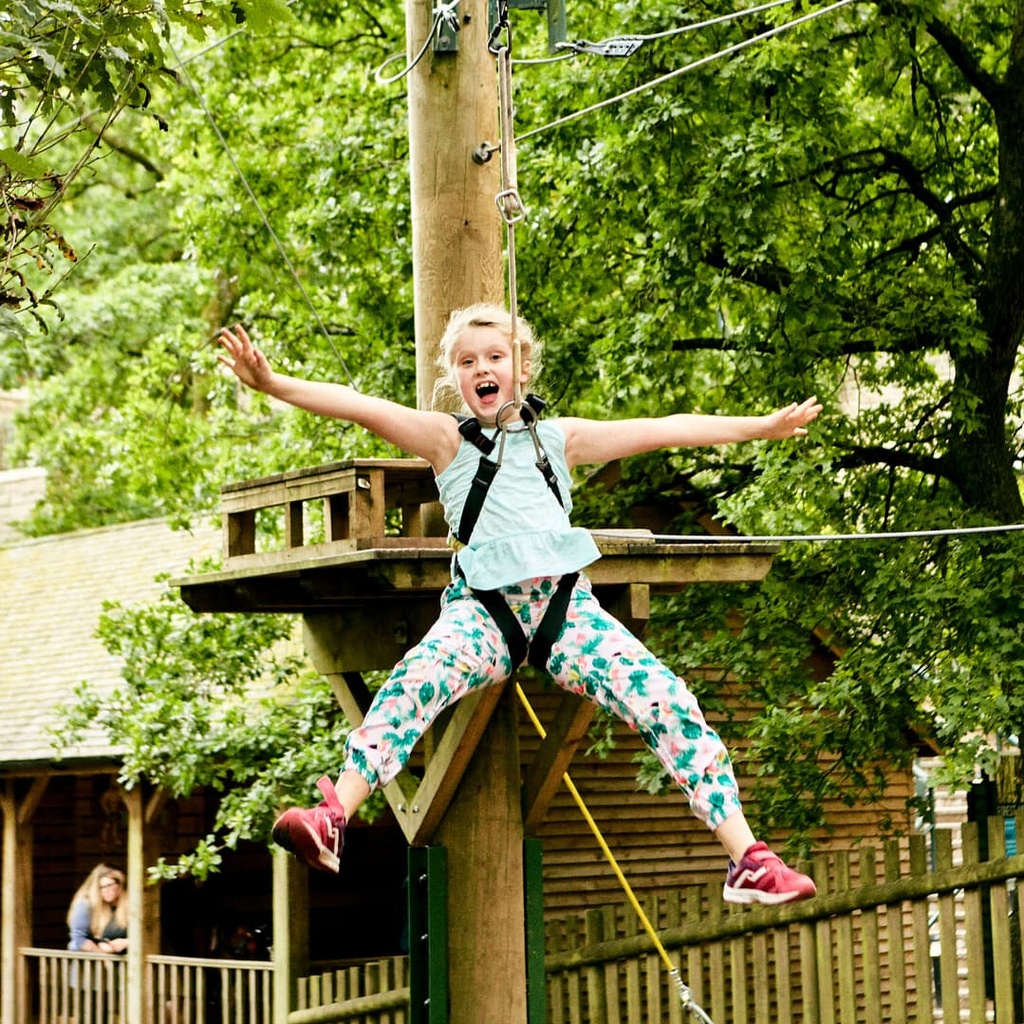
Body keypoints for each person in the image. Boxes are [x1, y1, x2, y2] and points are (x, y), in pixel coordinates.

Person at [218, 304, 823, 906]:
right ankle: (333, 814)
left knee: (668, 699)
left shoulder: (560, 439)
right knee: (414, 681)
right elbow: (356, 405)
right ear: (454, 377)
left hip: (566, 613)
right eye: (467, 361)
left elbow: (666, 425)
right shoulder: (445, 438)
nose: (481, 368)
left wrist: (757, 427)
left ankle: (747, 858)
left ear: (520, 368)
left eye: (494, 357)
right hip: (485, 616)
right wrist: (271, 384)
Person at [67, 864, 128, 953]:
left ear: (119, 885)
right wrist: (102, 954)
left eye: (109, 885)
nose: (106, 890)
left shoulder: (118, 906)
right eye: (101, 887)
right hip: (84, 958)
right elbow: (79, 939)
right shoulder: (85, 904)